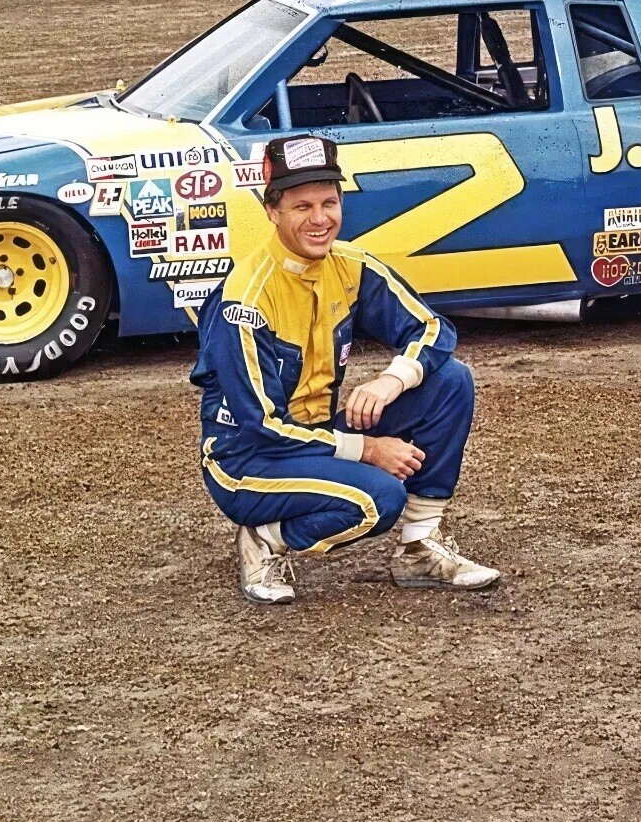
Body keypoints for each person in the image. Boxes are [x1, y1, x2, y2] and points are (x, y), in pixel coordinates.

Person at [191, 134, 500, 606]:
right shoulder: (245, 301)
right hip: (247, 462)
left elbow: (433, 329)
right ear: (272, 211)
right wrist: (368, 448)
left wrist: (393, 377)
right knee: (377, 499)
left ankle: (418, 548)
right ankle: (264, 539)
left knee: (449, 381)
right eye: (301, 206)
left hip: (315, 439)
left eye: (329, 202)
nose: (320, 219)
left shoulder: (350, 264)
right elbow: (263, 425)